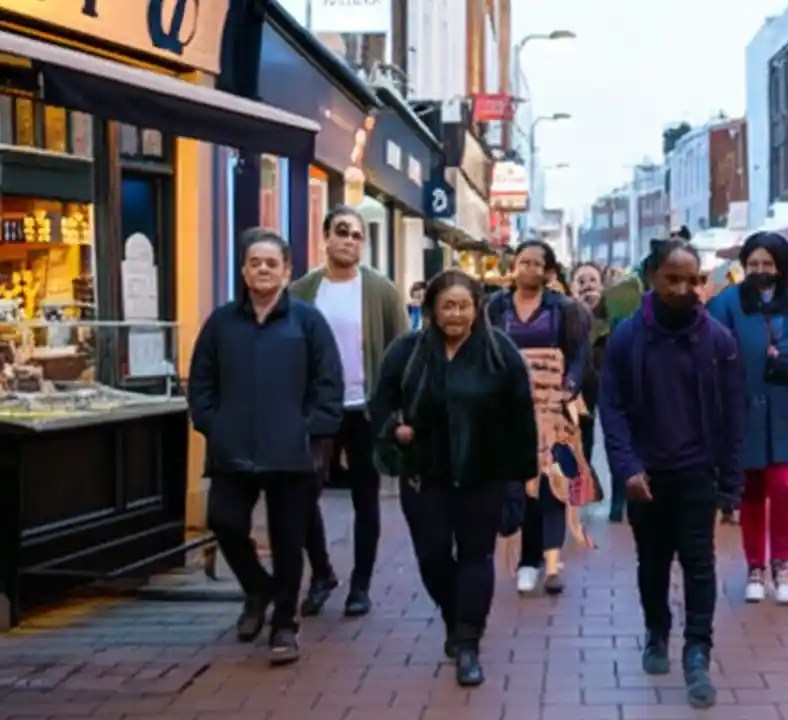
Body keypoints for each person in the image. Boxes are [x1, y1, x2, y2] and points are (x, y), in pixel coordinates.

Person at [368, 270, 538, 687]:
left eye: (464, 305)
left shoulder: (501, 353)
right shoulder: (406, 352)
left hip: (484, 475)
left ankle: (468, 642)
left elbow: (521, 422)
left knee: (476, 557)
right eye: (447, 306)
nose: (456, 314)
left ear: (478, 308)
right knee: (432, 557)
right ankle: (454, 614)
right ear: (431, 310)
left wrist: (519, 482)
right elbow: (380, 404)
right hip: (424, 477)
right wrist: (394, 427)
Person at [598, 239, 744, 709]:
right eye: (673, 278)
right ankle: (656, 631)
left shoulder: (718, 340)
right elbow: (612, 407)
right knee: (653, 562)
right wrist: (627, 467)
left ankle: (697, 650)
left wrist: (730, 485)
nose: (684, 288)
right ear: (653, 277)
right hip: (647, 475)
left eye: (692, 279)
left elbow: (733, 415)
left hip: (697, 472)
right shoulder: (626, 336)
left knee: (700, 564)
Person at [189, 228, 344, 665]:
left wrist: (308, 429)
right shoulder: (221, 323)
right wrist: (212, 425)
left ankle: (284, 625)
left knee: (288, 538)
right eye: (254, 262)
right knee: (224, 521)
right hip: (231, 449)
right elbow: (201, 382)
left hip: (291, 454)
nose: (262, 269)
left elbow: (328, 384)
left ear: (287, 271)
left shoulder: (307, 322)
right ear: (243, 270)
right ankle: (258, 588)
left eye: (271, 263)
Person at [291, 205, 410, 618]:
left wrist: (397, 410)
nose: (348, 240)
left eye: (357, 235)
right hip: (317, 411)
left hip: (365, 408)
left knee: (366, 498)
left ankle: (361, 584)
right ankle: (322, 571)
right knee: (304, 495)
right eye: (341, 232)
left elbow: (403, 352)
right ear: (325, 237)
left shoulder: (381, 290)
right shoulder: (302, 291)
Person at [708, 231, 788, 606]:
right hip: (743, 409)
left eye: (767, 264)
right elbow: (712, 344)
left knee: (787, 486)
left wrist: (781, 353)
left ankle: (782, 562)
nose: (760, 271)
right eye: (753, 265)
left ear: (781, 265)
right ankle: (755, 567)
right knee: (751, 492)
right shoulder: (727, 302)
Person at [487, 240, 592, 595]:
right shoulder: (495, 306)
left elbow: (579, 354)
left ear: (549, 272)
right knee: (521, 482)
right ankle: (526, 560)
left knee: (553, 483)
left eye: (537, 263)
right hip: (509, 410)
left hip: (553, 409)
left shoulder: (564, 310)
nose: (528, 269)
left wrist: (569, 388)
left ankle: (550, 564)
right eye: (523, 262)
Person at [571, 262, 619, 521]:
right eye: (581, 281)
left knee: (616, 438)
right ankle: (583, 488)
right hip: (581, 386)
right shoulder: (569, 316)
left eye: (592, 280)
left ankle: (619, 501)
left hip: (612, 384)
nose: (587, 286)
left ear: (601, 285)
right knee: (582, 439)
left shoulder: (615, 314)